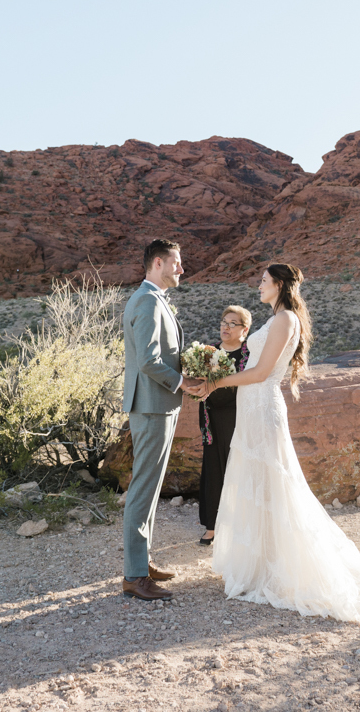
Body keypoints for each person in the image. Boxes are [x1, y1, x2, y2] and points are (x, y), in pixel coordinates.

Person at [204, 264, 360, 621]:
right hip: (252, 406)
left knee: (272, 482)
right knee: (257, 479)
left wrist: (215, 383)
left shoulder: (285, 319)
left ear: (279, 285)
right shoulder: (276, 317)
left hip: (262, 407)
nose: (258, 286)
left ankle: (277, 567)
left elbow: (259, 373)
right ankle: (260, 562)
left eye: (263, 281)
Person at [120, 239, 205, 601]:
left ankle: (142, 563)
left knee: (151, 487)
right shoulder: (147, 301)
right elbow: (149, 362)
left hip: (158, 405)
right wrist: (184, 381)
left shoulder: (152, 300)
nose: (182, 269)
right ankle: (134, 576)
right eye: (177, 263)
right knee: (143, 488)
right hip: (152, 406)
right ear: (158, 263)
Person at [197, 305, 252, 546]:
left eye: (233, 323)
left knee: (238, 468)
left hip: (239, 418)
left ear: (245, 329)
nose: (226, 327)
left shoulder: (250, 355)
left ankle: (240, 526)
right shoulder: (209, 352)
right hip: (211, 418)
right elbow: (197, 380)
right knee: (213, 469)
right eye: (223, 322)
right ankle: (212, 527)